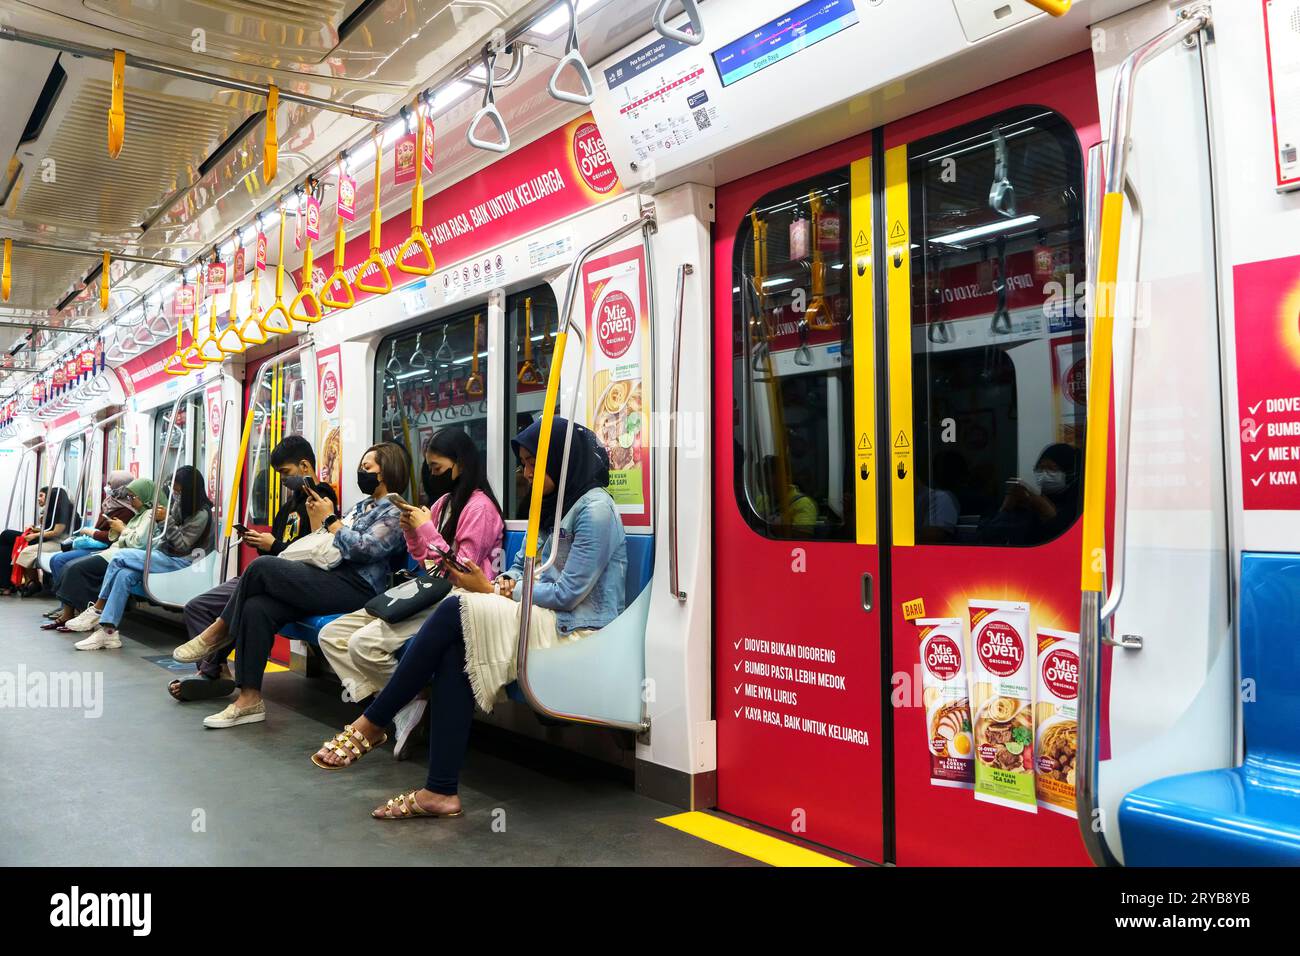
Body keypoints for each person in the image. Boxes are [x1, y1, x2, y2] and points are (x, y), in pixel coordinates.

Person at [310, 418, 627, 823]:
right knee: (454, 652)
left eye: (534, 464)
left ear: (561, 464)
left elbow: (568, 595)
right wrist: (502, 585)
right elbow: (516, 568)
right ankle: (440, 791)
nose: (525, 474)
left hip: (575, 630)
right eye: (524, 464)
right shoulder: (557, 510)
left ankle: (374, 720)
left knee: (455, 608)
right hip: (536, 615)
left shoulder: (596, 510)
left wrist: (496, 590)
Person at [172, 443, 408, 729]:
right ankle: (249, 699)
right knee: (257, 607)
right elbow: (330, 545)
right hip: (330, 577)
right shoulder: (361, 507)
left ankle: (219, 632)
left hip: (357, 588)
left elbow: (366, 550)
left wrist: (332, 521)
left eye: (367, 468)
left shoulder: (396, 512)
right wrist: (322, 523)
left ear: (386, 472)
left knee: (261, 568)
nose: (361, 472)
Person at [317, 427, 504, 759]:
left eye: (436, 468)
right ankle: (404, 703)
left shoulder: (480, 508)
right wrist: (414, 533)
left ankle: (392, 708)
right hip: (429, 590)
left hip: (458, 601)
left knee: (364, 644)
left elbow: (463, 570)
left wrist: (425, 528)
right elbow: (427, 562)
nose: (432, 475)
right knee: (332, 635)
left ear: (460, 464)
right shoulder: (445, 502)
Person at [167, 435, 338, 702]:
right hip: (270, 574)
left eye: (285, 472)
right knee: (196, 607)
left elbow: (314, 551)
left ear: (305, 467)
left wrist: (274, 546)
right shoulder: (287, 506)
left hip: (293, 581)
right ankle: (214, 669)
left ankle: (211, 672)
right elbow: (279, 546)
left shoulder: (322, 499)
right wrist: (262, 543)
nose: (282, 479)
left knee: (249, 607)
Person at [73, 465, 214, 651]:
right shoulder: (183, 506)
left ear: (189, 491)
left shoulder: (201, 514)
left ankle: (98, 609)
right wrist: (160, 521)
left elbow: (182, 545)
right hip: (165, 555)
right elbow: (165, 535)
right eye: (175, 493)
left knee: (120, 557)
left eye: (179, 492)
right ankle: (108, 633)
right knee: (124, 574)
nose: (176, 497)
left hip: (182, 563)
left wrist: (165, 520)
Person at [40, 471, 138, 629]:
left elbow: (112, 537)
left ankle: (76, 608)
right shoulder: (109, 502)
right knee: (58, 560)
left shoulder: (128, 510)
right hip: (98, 543)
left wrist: (91, 532)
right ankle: (67, 606)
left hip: (106, 546)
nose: (108, 488)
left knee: (64, 562)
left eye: (111, 485)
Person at [56, 478, 157, 631]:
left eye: (132, 497)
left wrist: (122, 529)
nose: (130, 500)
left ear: (144, 495)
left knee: (75, 568)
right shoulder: (137, 514)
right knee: (67, 565)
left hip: (122, 554)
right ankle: (72, 612)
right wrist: (117, 530)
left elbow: (138, 542)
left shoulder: (149, 515)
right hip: (114, 550)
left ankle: (88, 613)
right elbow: (121, 537)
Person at [979, 443, 1081, 546]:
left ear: (1070, 472)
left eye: (1052, 469)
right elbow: (989, 534)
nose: (1044, 474)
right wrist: (1006, 507)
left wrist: (1042, 506)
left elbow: (1064, 536)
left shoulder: (1079, 501)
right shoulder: (1026, 500)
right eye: (1040, 468)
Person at [3, 486, 75, 596]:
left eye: (44, 496)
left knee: (24, 550)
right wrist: (36, 529)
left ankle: (33, 582)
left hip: (60, 542)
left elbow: (56, 532)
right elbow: (49, 528)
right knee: (10, 545)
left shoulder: (63, 510)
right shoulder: (54, 510)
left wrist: (35, 534)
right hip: (52, 539)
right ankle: (23, 582)